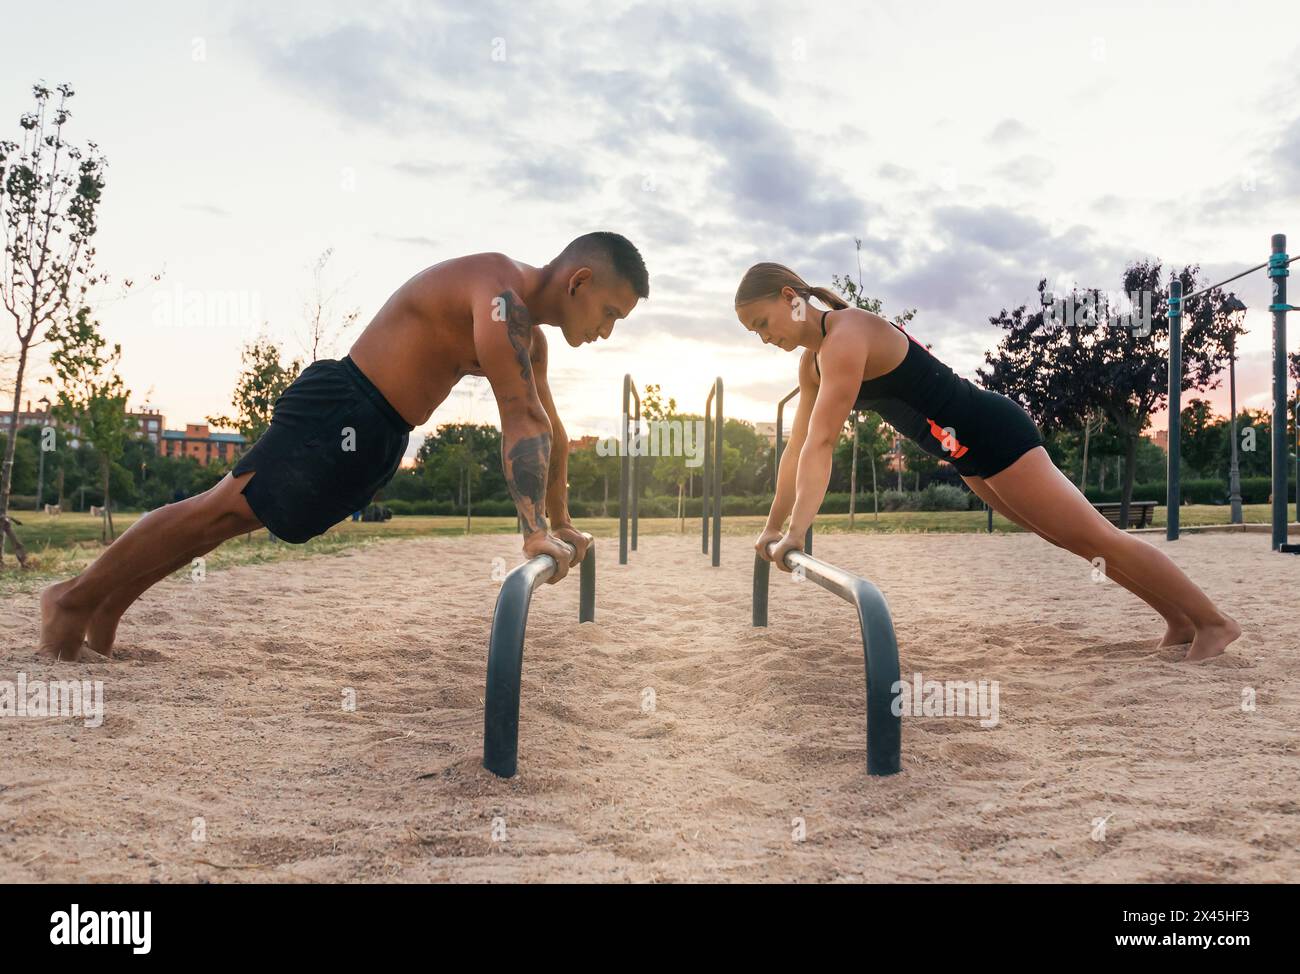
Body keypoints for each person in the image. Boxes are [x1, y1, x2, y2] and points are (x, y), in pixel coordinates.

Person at [39, 232, 648, 661]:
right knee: (217, 509)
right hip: (344, 407)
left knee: (222, 525)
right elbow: (517, 415)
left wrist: (562, 522)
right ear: (581, 281)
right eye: (611, 312)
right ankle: (70, 600)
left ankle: (108, 604)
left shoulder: (530, 339)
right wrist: (533, 528)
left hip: (379, 434)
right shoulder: (499, 294)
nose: (606, 329)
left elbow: (548, 425)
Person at [734, 262, 1240, 662]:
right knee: (1071, 539)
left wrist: (797, 531)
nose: (763, 337)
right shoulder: (812, 362)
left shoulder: (846, 336)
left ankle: (1213, 621)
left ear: (788, 298)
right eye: (753, 333)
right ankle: (1177, 617)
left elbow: (822, 443)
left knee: (1097, 536)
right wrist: (772, 527)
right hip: (966, 455)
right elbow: (796, 447)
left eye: (762, 323)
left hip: (992, 433)